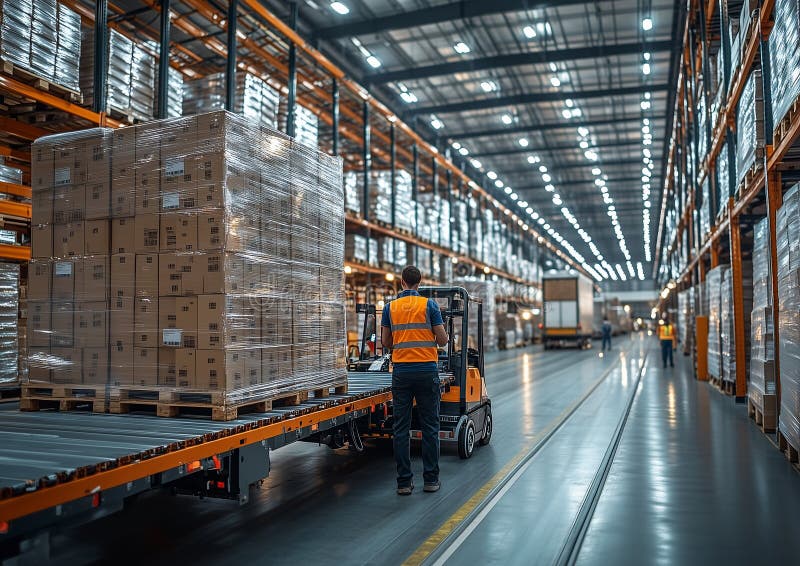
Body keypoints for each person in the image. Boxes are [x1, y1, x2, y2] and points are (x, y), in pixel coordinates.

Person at [381, 265, 449, 495]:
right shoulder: (429, 305)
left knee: (401, 428)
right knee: (430, 427)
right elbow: (442, 340)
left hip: (402, 372)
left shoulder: (390, 307)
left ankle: (403, 483)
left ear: (402, 282)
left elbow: (385, 342)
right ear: (420, 283)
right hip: (426, 371)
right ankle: (431, 480)